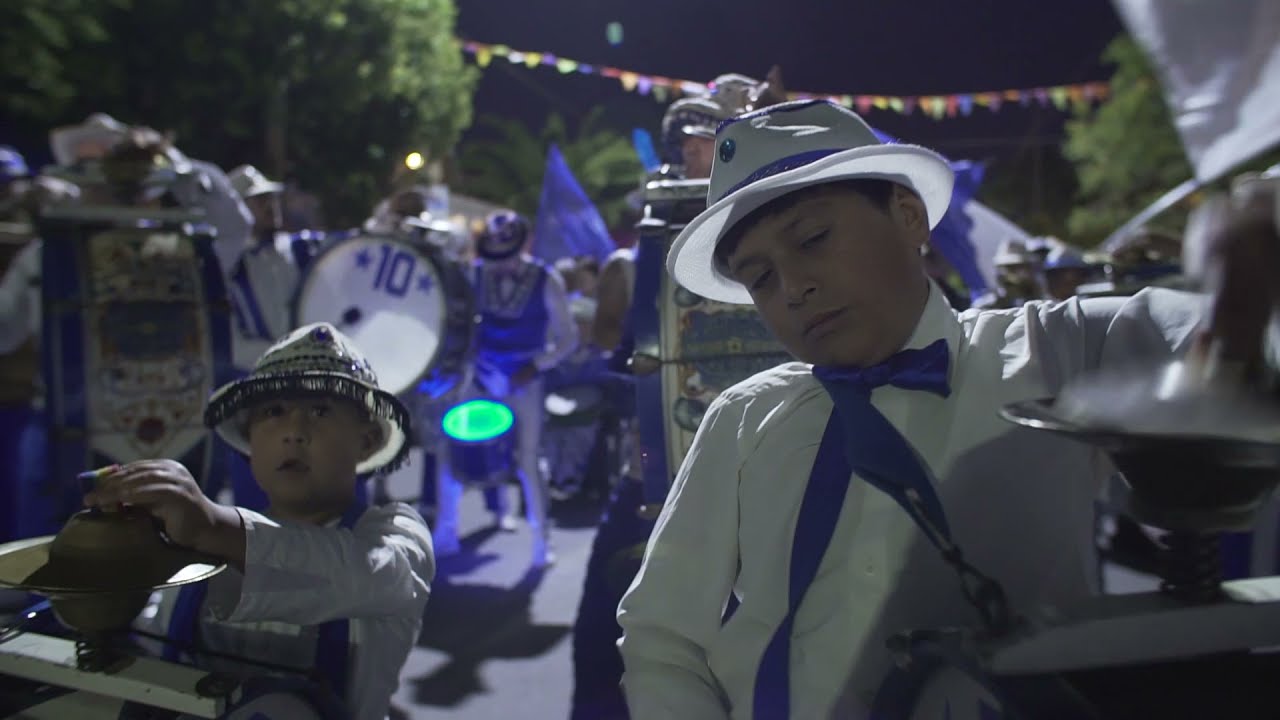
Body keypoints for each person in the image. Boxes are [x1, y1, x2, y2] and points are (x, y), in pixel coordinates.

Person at [616, 100, 1212, 718]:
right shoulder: (743, 419)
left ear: (908, 215)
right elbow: (662, 636)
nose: (793, 288)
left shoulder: (1056, 351)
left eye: (813, 239)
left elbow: (1216, 339)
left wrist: (1240, 289)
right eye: (760, 278)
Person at [570, 71, 787, 720]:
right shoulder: (631, 264)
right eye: (694, 140)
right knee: (610, 640)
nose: (698, 153)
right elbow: (611, 352)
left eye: (715, 139)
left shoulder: (786, 239)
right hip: (656, 478)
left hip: (778, 470)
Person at [83, 321, 433, 720]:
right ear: (250, 439)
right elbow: (149, 650)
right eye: (273, 411)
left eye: (320, 410)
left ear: (366, 442)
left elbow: (359, 572)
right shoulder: (205, 541)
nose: (294, 432)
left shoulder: (396, 537)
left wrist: (211, 527)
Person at [432, 210, 577, 568]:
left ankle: (542, 540)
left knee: (528, 460)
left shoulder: (546, 279)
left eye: (506, 255)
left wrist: (537, 365)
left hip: (524, 381)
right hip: (481, 375)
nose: (499, 264)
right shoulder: (475, 275)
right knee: (450, 451)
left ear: (524, 245)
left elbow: (568, 338)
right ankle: (446, 531)